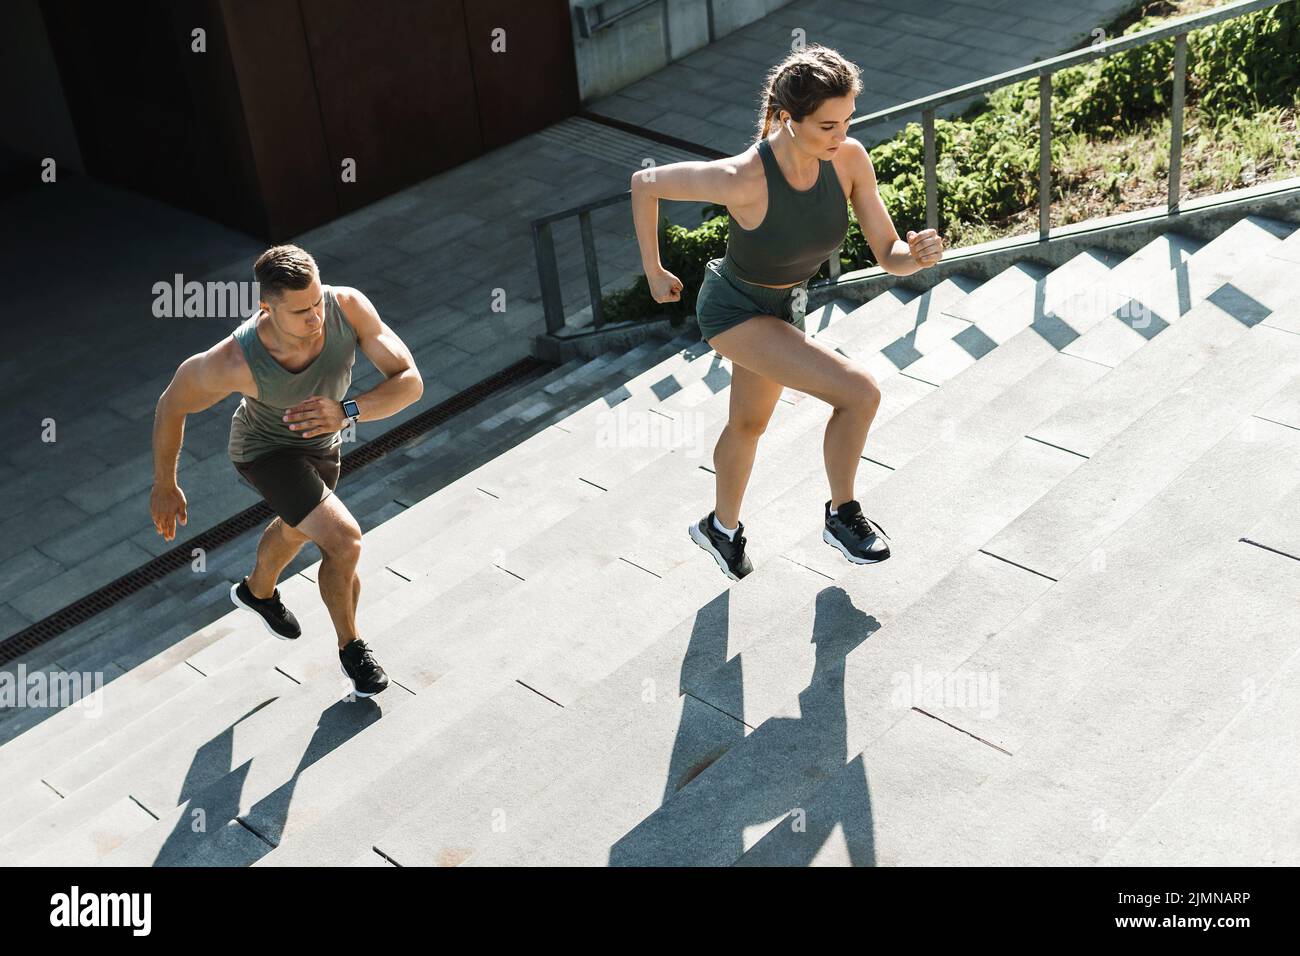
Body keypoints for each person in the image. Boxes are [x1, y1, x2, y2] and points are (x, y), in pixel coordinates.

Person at [629, 44, 945, 580]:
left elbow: (887, 251)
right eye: (826, 125)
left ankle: (720, 530)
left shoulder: (848, 160)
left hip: (784, 308)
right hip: (733, 308)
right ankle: (843, 516)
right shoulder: (742, 178)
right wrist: (655, 270)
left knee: (749, 424)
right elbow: (645, 184)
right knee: (860, 392)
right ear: (784, 118)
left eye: (847, 119)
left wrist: (912, 256)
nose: (840, 135)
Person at [150, 245, 425, 696]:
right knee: (343, 539)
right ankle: (352, 649)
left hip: (323, 443)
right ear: (266, 307)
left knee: (301, 529)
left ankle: (256, 592)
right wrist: (165, 483)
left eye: (317, 302)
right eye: (300, 312)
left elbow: (410, 382)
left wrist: (348, 410)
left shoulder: (347, 307)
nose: (316, 317)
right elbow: (171, 404)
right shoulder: (234, 360)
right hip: (266, 452)